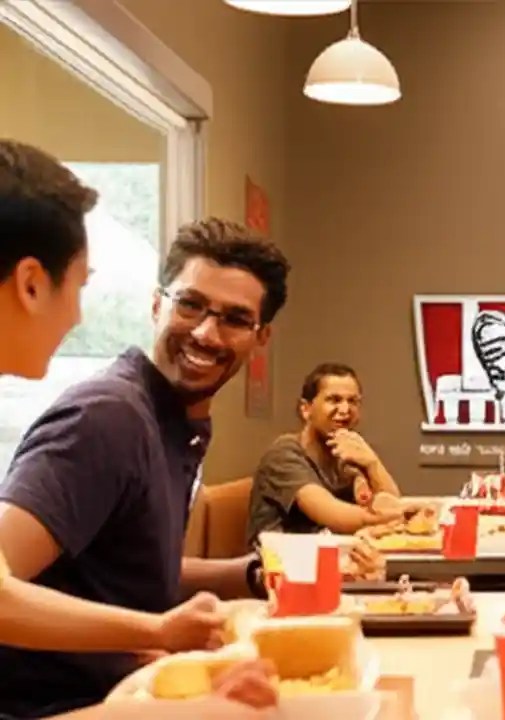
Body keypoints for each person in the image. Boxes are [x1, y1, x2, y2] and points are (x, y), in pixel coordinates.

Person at [0, 140, 276, 716]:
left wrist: (251, 576)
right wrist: (161, 638)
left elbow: (128, 569)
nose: (78, 314)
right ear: (31, 283)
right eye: (80, 283)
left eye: (233, 319)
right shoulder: (108, 416)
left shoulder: (172, 422)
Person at [246, 363, 403, 542]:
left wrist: (372, 463)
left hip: (334, 556)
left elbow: (392, 502)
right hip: (280, 563)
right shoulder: (284, 454)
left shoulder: (347, 451)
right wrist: (391, 517)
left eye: (352, 401)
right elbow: (333, 515)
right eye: (334, 400)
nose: (345, 410)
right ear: (306, 409)